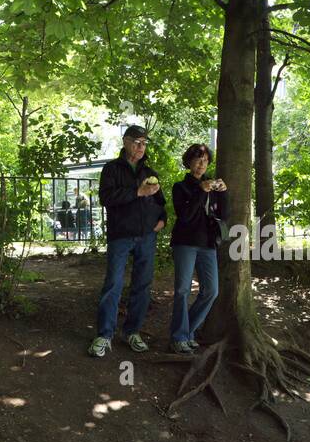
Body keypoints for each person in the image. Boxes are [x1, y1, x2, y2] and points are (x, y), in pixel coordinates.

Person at [89, 125, 164, 357]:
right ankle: (104, 335)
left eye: (144, 143)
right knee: (113, 284)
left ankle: (132, 331)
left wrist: (163, 219)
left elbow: (160, 201)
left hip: (147, 236)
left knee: (142, 286)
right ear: (125, 142)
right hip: (121, 235)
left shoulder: (149, 172)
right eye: (137, 142)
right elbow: (106, 198)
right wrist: (137, 192)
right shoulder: (112, 169)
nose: (141, 147)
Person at [163, 142, 228, 354]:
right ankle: (179, 338)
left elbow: (222, 215)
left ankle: (186, 332)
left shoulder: (211, 187)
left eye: (205, 161)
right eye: (198, 160)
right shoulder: (180, 187)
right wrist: (201, 191)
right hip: (185, 243)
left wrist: (222, 193)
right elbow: (186, 216)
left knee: (211, 290)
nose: (202, 164)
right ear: (189, 162)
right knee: (182, 290)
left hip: (208, 244)